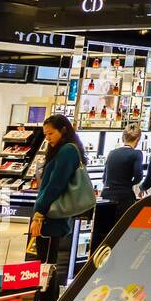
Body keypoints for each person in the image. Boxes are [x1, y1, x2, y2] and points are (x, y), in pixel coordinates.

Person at [27, 114, 88, 287]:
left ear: (63, 130)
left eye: (50, 134)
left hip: (50, 216)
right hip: (51, 215)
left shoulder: (68, 150)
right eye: (45, 135)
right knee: (46, 264)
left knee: (46, 266)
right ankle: (46, 300)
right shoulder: (63, 149)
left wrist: (39, 213)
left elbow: (55, 185)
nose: (47, 138)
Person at [101, 123, 145, 205]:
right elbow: (138, 177)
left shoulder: (112, 153)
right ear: (138, 139)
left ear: (123, 138)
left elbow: (104, 177)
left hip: (106, 194)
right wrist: (128, 184)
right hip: (124, 195)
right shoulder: (137, 154)